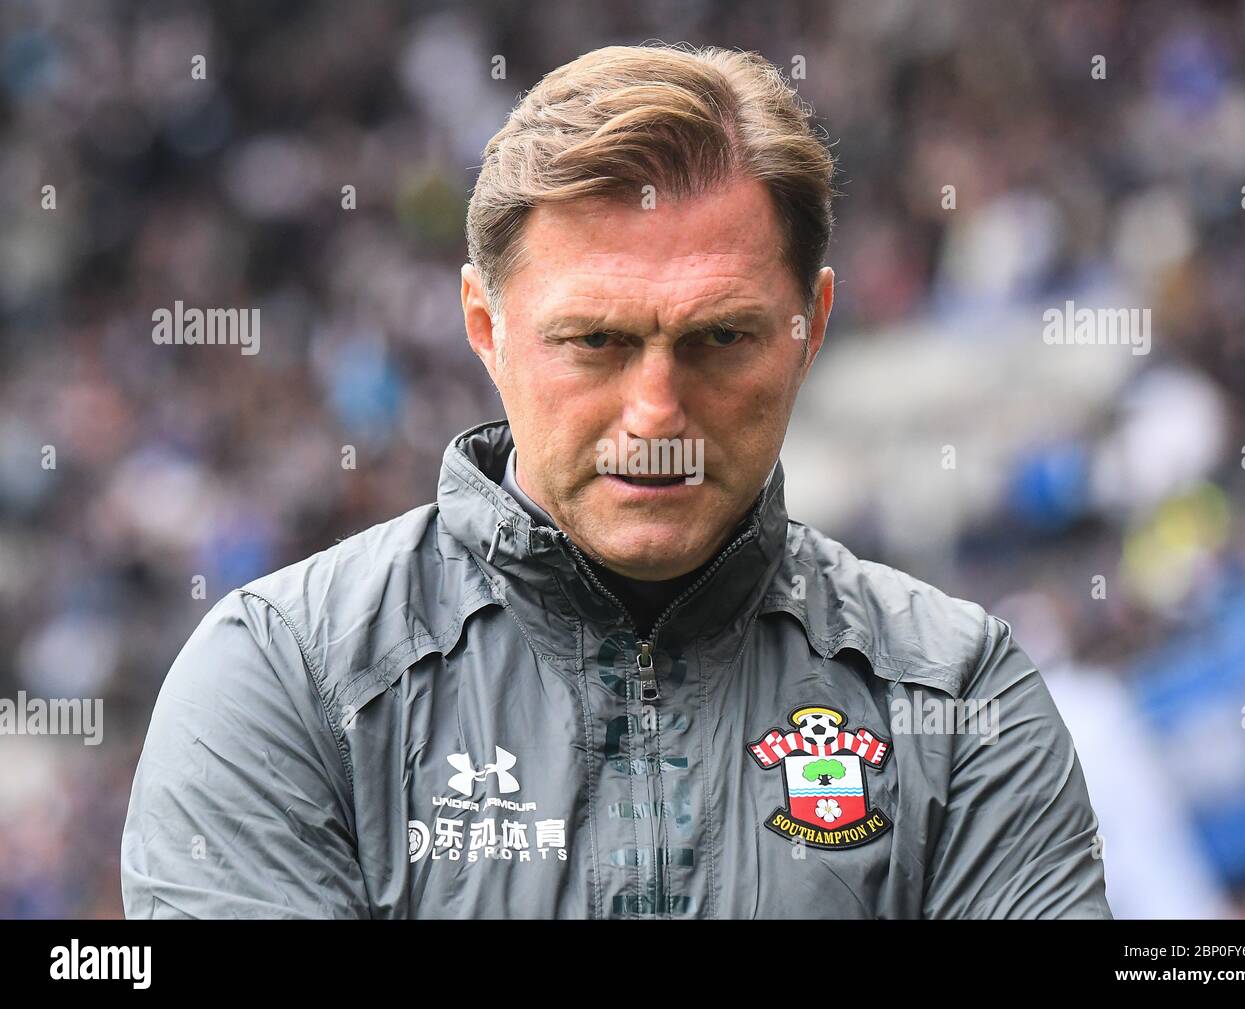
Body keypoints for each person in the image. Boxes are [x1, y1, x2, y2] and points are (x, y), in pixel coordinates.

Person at [121, 43, 1111, 919]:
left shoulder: (956, 692)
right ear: (485, 327)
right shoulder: (283, 680)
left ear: (809, 327)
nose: (654, 411)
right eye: (593, 341)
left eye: (719, 338)